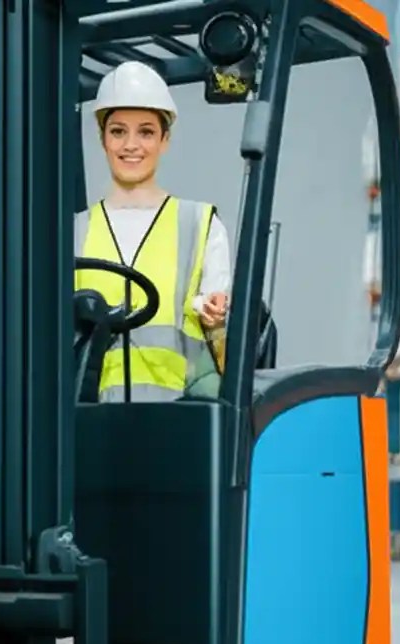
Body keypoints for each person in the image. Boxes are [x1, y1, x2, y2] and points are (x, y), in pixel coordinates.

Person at [74, 60, 233, 402]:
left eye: (145, 131)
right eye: (118, 131)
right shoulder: (74, 231)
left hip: (178, 422)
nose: (131, 145)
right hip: (90, 424)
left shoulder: (200, 224)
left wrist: (216, 320)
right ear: (103, 139)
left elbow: (226, 352)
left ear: (165, 140)